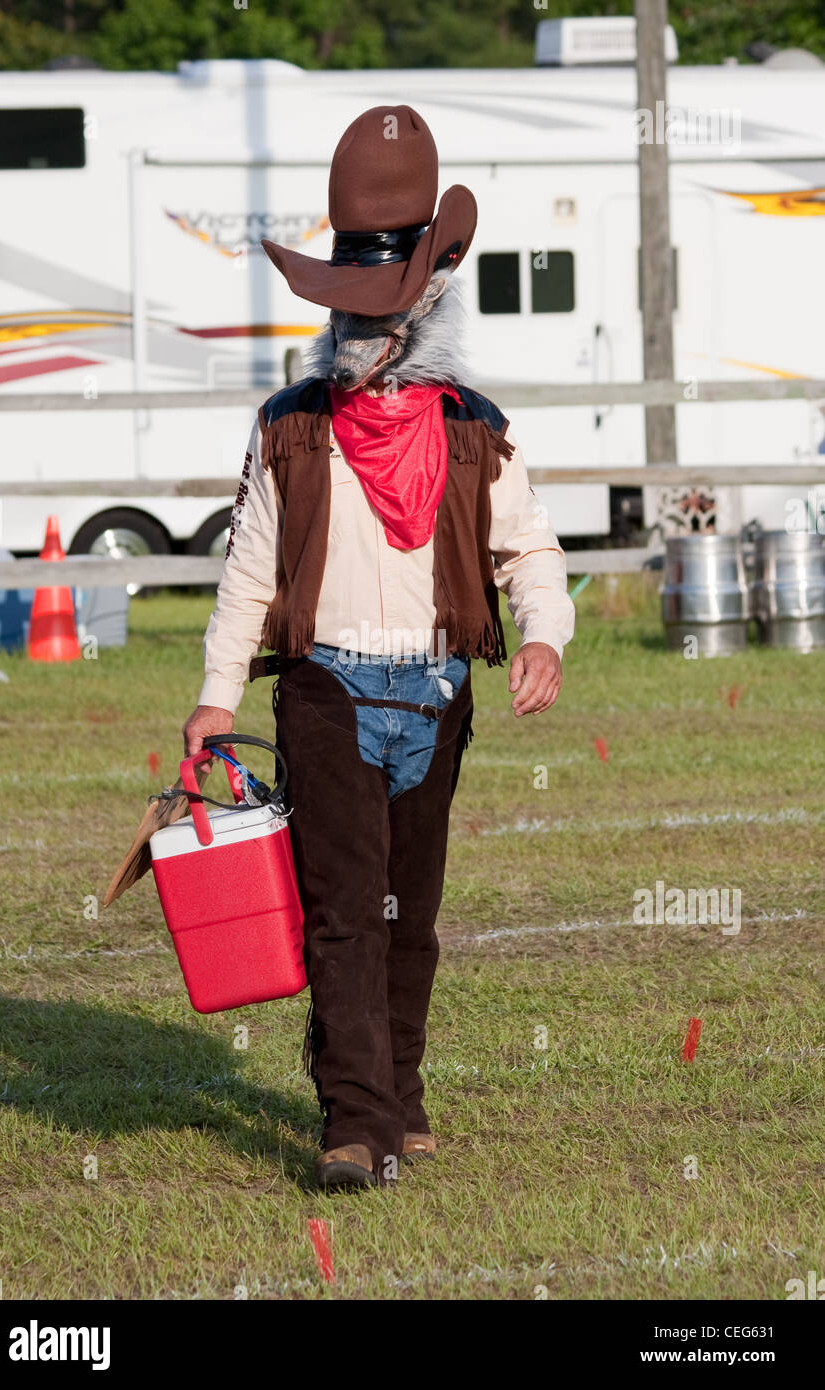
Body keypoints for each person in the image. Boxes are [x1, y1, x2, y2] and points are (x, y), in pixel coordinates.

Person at [183, 105, 574, 1189]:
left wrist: (543, 634)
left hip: (437, 693)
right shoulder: (291, 426)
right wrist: (217, 697)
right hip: (323, 690)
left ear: (428, 301)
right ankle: (350, 1124)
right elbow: (248, 573)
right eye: (352, 307)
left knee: (412, 915)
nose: (368, 331)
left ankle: (397, 1095)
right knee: (345, 915)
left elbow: (531, 554)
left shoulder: (474, 432)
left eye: (386, 307)